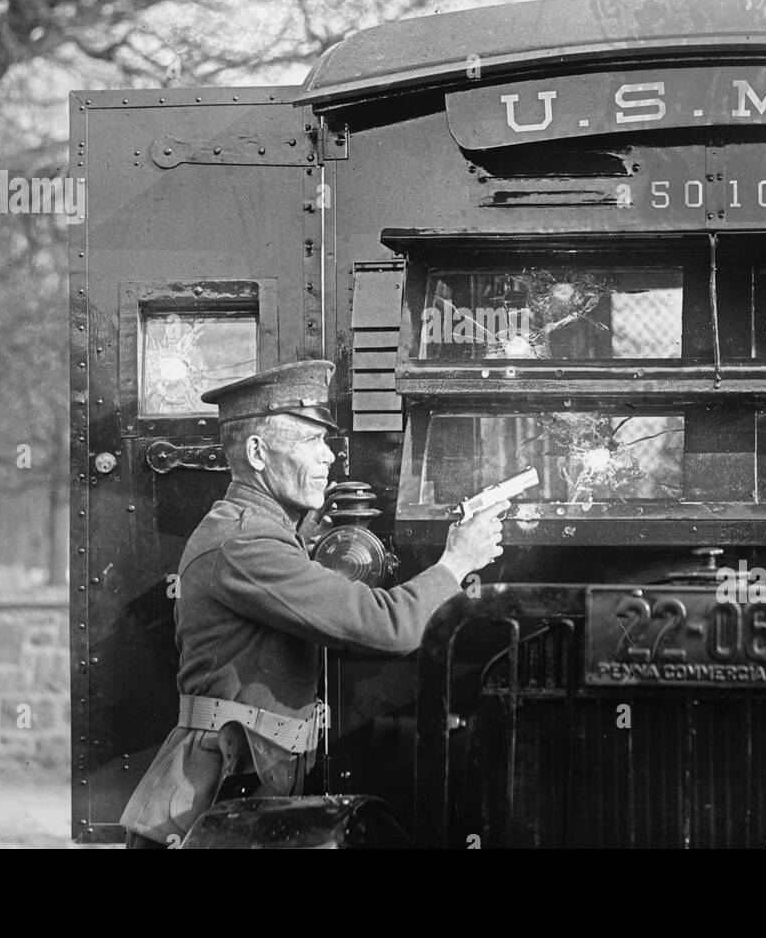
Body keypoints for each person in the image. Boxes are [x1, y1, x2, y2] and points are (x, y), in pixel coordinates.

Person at [121, 359, 506, 847]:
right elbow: (389, 626)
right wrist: (455, 562)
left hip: (247, 787)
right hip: (211, 801)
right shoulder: (246, 545)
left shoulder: (270, 535)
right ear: (258, 453)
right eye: (311, 441)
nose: (329, 457)